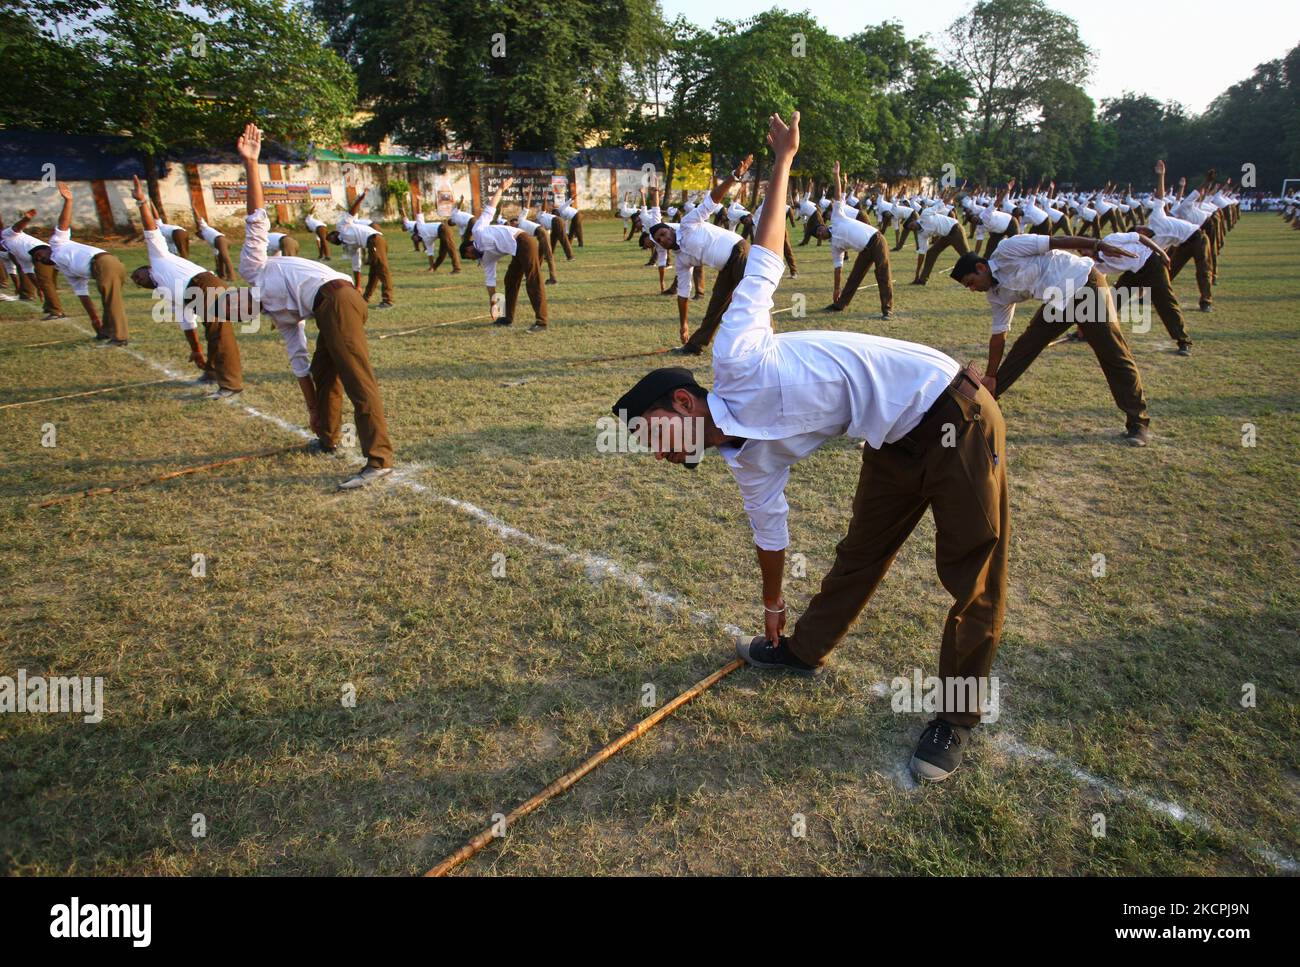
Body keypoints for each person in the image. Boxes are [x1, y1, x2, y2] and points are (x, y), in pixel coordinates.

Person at [612, 110, 1010, 782]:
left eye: (650, 435)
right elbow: (771, 535)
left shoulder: (738, 356)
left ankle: (955, 717)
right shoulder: (745, 460)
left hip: (952, 413)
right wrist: (773, 609)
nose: (655, 453)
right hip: (888, 440)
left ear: (682, 403)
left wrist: (784, 161)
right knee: (859, 553)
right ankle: (803, 649)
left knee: (972, 575)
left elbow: (764, 257)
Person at [235, 122, 394, 489]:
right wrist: (311, 411)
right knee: (323, 374)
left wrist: (251, 165)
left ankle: (379, 458)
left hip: (337, 299)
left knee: (357, 379)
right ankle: (328, 434)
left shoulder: (253, 270)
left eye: (234, 306)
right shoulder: (281, 316)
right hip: (330, 307)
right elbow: (299, 363)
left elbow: (257, 220)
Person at [950, 231, 1152, 446]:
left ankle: (1137, 422)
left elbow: (1058, 241)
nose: (972, 289)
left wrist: (1098, 244)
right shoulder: (996, 295)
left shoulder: (1008, 249)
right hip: (1057, 301)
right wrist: (991, 375)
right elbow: (999, 335)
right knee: (1025, 347)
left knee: (1113, 353)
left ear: (981, 268)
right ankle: (985, 404)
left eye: (971, 282)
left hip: (1084, 284)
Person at [128, 176, 243, 397]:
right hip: (198, 291)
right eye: (135, 282)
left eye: (137, 274)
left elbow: (151, 231)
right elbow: (186, 320)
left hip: (204, 284)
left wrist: (142, 202)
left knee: (220, 334)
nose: (137, 279)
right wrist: (195, 350)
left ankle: (230, 384)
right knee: (213, 333)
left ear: (146, 268)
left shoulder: (159, 259)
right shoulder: (166, 291)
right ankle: (211, 372)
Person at [650, 155, 755, 355]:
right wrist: (684, 325)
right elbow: (683, 293)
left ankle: (770, 337)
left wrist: (733, 177)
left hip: (739, 251)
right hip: (725, 267)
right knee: (716, 304)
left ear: (670, 230)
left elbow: (712, 201)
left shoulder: (688, 223)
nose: (663, 239)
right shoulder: (681, 261)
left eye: (663, 234)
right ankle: (694, 345)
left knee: (752, 296)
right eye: (659, 240)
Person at [29, 182, 129, 344]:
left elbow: (63, 224)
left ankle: (120, 337)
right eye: (37, 261)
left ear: (46, 248)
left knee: (112, 300)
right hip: (103, 267)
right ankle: (105, 332)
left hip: (104, 263)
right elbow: (83, 295)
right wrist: (93, 319)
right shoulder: (67, 271)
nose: (39, 259)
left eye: (39, 254)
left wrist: (68, 201)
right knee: (108, 300)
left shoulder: (57, 244)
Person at [460, 177, 549, 333]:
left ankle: (541, 322)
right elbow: (490, 281)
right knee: (510, 280)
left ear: (468, 249)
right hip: (516, 250)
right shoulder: (486, 259)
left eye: (469, 257)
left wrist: (501, 189)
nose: (473, 259)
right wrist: (493, 302)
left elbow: (490, 208)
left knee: (533, 279)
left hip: (524, 241)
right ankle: (506, 318)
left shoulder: (477, 231)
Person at [814, 161, 893, 319]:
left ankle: (887, 309)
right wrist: (836, 289)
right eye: (818, 235)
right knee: (854, 277)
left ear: (824, 225)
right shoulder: (835, 247)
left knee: (882, 273)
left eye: (820, 229)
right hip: (864, 250)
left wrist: (836, 176)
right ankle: (840, 304)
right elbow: (838, 269)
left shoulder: (836, 217)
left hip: (876, 240)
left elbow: (837, 196)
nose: (820, 233)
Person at [1097, 228, 1192, 356]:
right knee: (1114, 299)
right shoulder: (1095, 263)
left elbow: (1141, 237)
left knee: (1165, 301)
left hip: (1151, 262)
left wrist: (1162, 253)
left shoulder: (1111, 240)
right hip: (1133, 271)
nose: (1084, 252)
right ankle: (1091, 331)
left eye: (1086, 249)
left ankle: (1183, 341)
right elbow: (1099, 281)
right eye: (1081, 251)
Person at [328, 193, 394, 308]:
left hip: (375, 240)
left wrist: (360, 198)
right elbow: (356, 264)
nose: (332, 241)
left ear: (335, 233)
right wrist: (358, 285)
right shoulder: (349, 245)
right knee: (373, 273)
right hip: (371, 244)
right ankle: (365, 299)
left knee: (383, 270)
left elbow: (352, 212)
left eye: (330, 238)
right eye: (330, 242)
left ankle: (388, 300)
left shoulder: (342, 226)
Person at [2, 210, 66, 318]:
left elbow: (17, 227)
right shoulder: (14, 252)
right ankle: (49, 307)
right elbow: (28, 271)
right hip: (40, 256)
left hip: (44, 252)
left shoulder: (5, 234)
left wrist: (26, 219)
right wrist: (38, 288)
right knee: (46, 284)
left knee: (46, 283)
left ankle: (56, 312)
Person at [195, 215, 235, 281]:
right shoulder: (208, 239)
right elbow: (215, 253)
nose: (199, 237)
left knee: (225, 258)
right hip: (219, 242)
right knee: (220, 258)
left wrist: (195, 210)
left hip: (221, 240)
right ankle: (222, 275)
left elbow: (199, 219)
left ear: (200, 232)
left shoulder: (205, 229)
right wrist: (217, 264)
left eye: (199, 235)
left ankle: (232, 276)